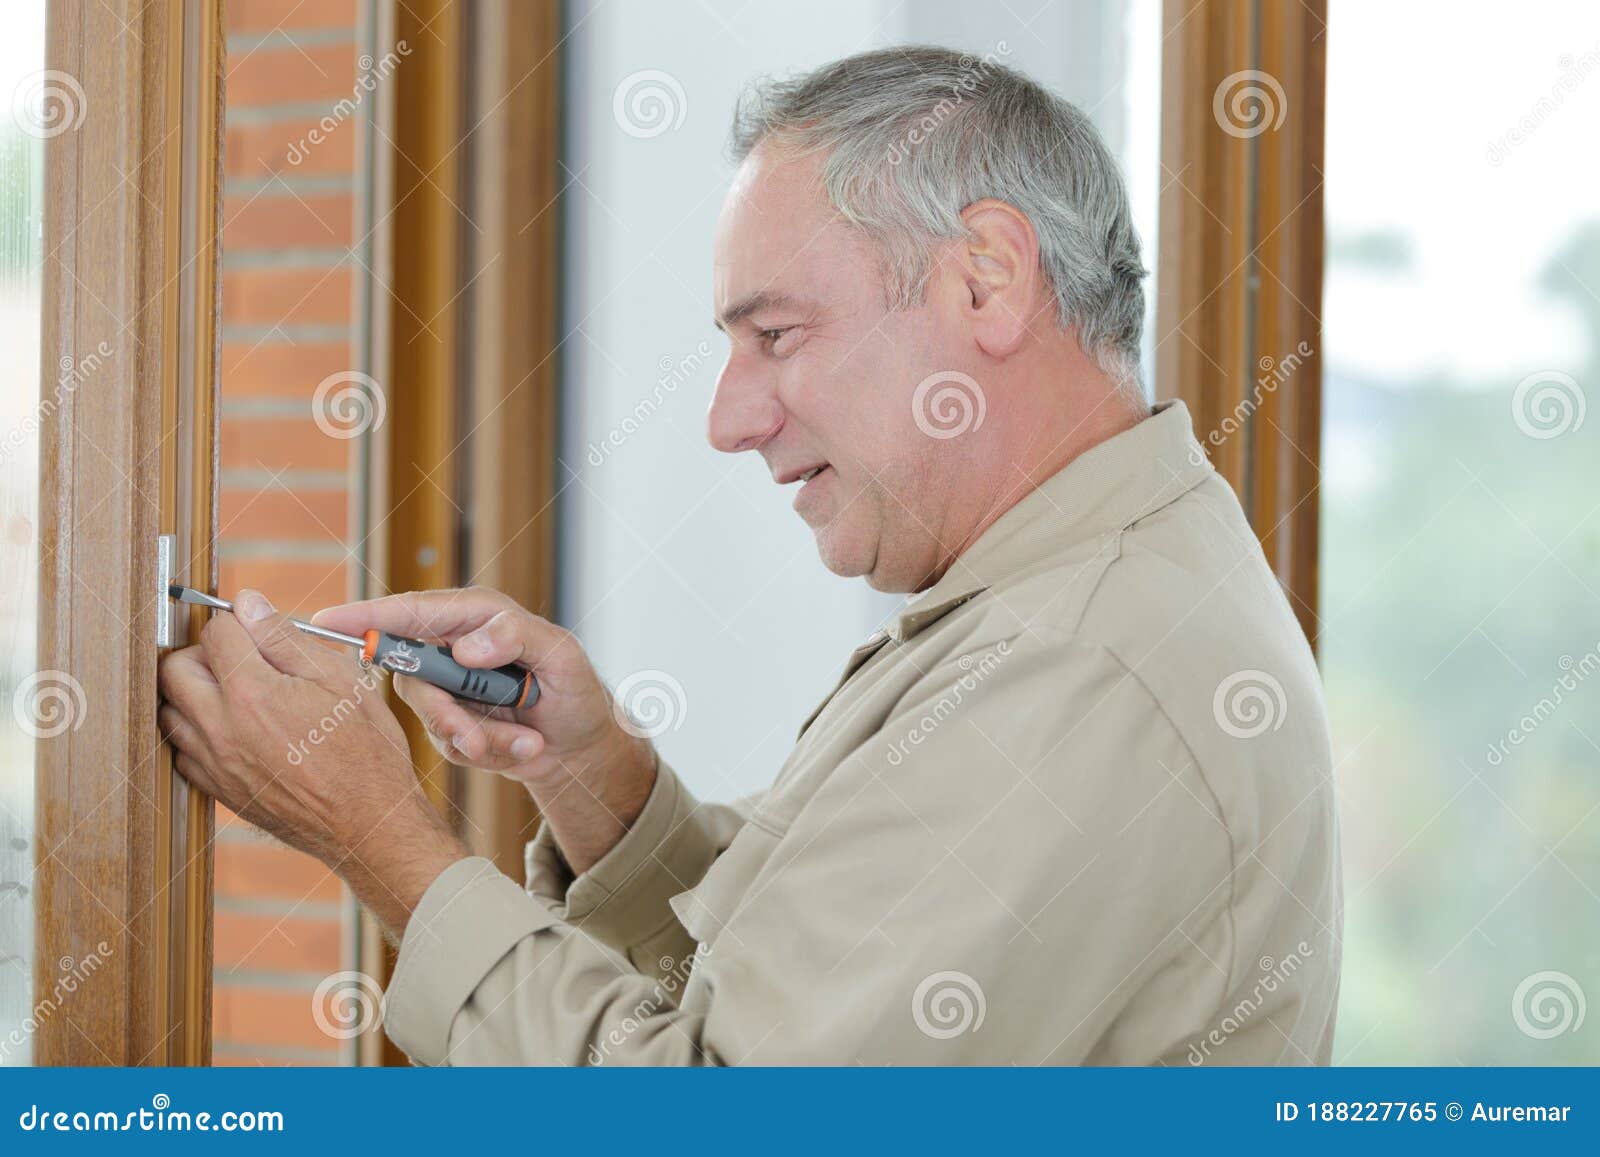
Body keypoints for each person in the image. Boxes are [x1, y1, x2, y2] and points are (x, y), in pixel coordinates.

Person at [158, 46, 1341, 1065]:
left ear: (987, 278)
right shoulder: (1071, 599)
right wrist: (595, 777)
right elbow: (810, 1006)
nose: (729, 417)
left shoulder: (1083, 666)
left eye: (776, 335)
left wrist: (379, 840)